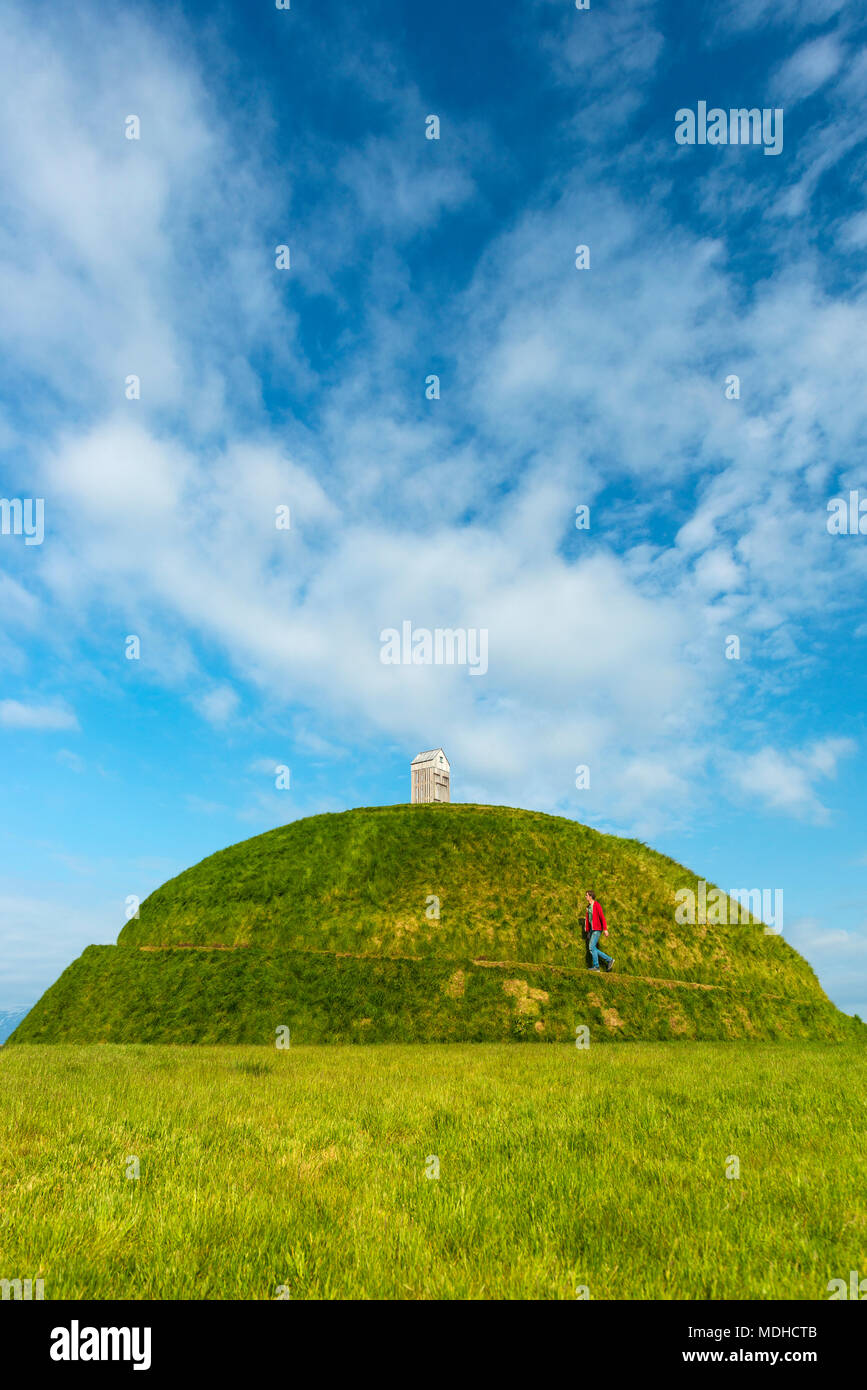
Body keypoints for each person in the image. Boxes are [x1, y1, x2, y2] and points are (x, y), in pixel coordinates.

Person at [584, 890, 614, 973]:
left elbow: (602, 917)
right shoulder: (588, 907)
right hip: (592, 930)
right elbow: (589, 919)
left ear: (590, 896)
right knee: (593, 948)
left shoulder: (596, 905)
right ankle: (609, 960)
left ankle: (596, 966)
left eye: (586, 895)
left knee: (591, 947)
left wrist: (605, 929)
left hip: (597, 929)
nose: (585, 897)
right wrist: (588, 931)